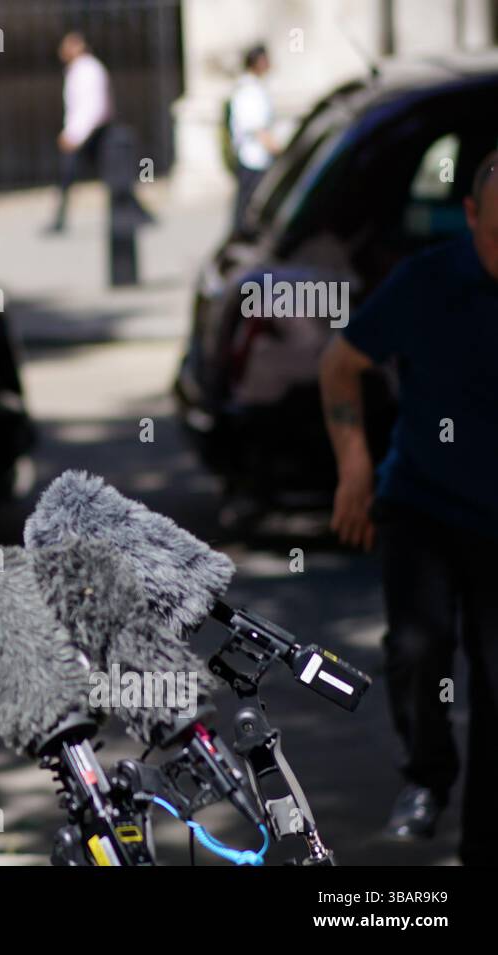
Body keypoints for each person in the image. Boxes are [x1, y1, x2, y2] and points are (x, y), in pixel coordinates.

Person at [318, 152, 498, 865]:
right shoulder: (428, 282)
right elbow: (341, 363)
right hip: (421, 499)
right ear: (473, 216)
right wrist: (355, 466)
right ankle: (426, 773)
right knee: (419, 648)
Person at [46, 31, 113, 234]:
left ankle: (59, 220)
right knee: (74, 176)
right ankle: (59, 219)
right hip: (85, 131)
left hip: (89, 132)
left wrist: (74, 135)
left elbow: (93, 106)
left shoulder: (89, 70)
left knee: (73, 174)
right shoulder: (78, 70)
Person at [227, 44, 282, 232]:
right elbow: (258, 128)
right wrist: (279, 151)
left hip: (257, 158)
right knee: (249, 210)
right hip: (253, 158)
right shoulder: (250, 91)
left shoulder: (254, 87)